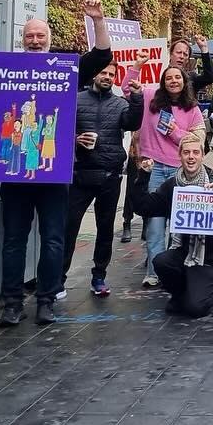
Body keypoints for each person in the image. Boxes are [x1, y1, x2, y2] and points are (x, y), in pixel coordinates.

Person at [0, 0, 113, 328]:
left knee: (54, 239)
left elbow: (101, 56)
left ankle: (46, 299)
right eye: (30, 36)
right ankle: (12, 304)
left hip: (53, 171)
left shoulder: (65, 69)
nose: (35, 41)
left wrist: (98, 20)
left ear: (48, 39)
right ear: (22, 40)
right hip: (16, 171)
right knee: (14, 240)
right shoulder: (6, 71)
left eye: (40, 36)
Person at [65, 60, 140, 297]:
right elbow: (59, 130)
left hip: (110, 176)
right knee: (68, 228)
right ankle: (58, 277)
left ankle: (99, 275)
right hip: (80, 175)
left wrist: (137, 99)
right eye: (103, 72)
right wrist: (75, 140)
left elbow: (132, 123)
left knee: (105, 229)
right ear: (94, 75)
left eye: (111, 74)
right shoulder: (76, 100)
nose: (107, 76)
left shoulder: (120, 103)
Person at [128, 65, 206, 286]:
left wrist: (174, 132)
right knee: (154, 224)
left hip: (178, 171)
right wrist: (136, 67)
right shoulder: (151, 96)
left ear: (184, 82)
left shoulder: (192, 109)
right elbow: (127, 89)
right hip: (153, 168)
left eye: (178, 78)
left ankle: (176, 269)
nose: (173, 81)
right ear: (163, 82)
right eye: (169, 78)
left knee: (179, 225)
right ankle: (154, 272)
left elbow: (197, 142)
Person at [152, 133, 213, 317]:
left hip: (211, 259)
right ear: (180, 155)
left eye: (196, 152)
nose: (191, 157)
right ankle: (181, 294)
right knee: (161, 262)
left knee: (195, 309)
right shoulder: (172, 184)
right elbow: (146, 206)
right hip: (183, 252)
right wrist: (142, 175)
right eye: (187, 152)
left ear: (202, 155)